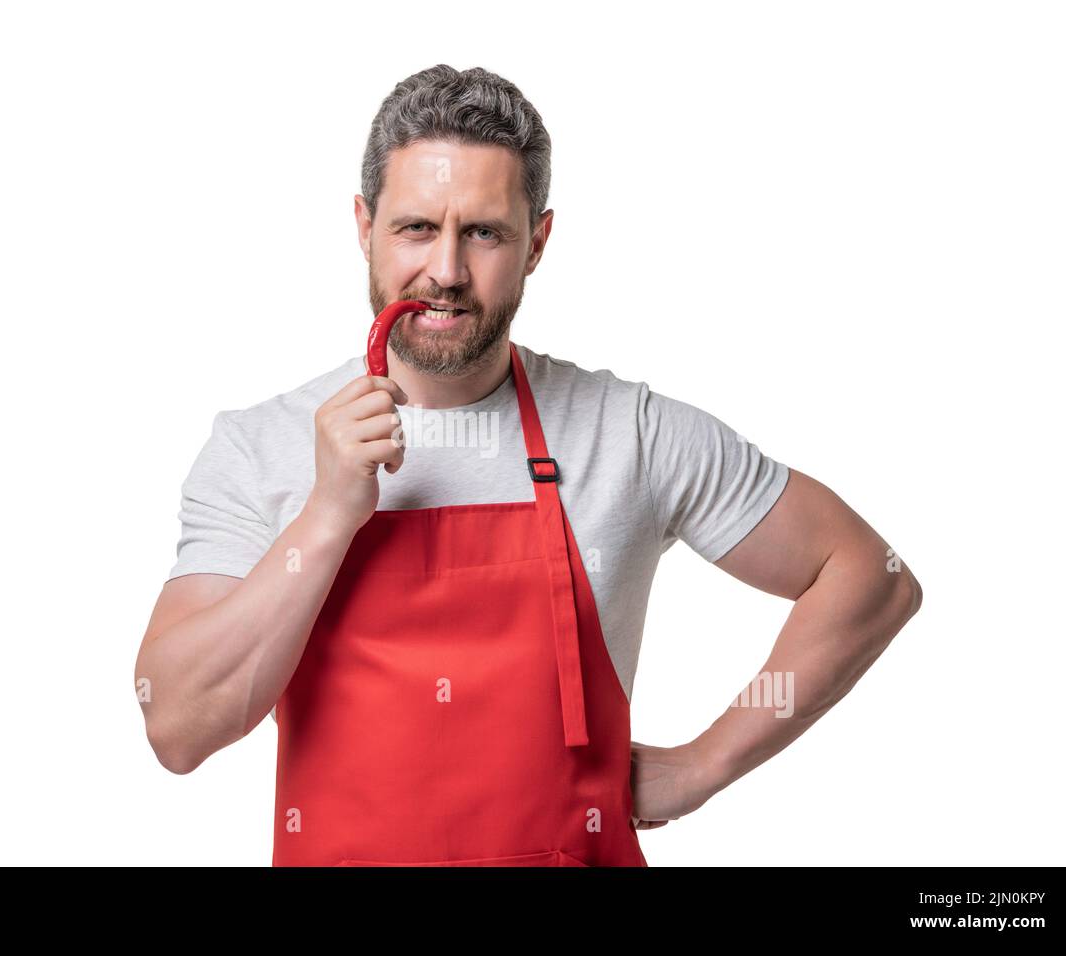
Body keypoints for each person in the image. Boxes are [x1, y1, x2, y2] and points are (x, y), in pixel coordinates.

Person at [133, 64, 923, 866]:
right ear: (363, 225)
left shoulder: (629, 432)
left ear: (537, 242)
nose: (444, 271)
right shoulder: (258, 446)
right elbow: (177, 726)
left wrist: (704, 763)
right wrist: (328, 513)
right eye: (415, 228)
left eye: (483, 232)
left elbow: (869, 575)